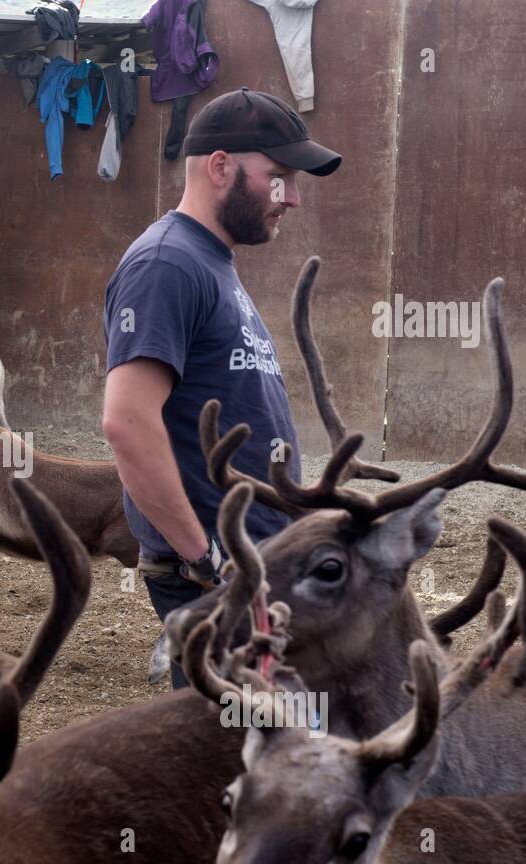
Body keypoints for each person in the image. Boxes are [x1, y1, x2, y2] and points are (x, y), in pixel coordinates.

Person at [100, 87, 342, 689]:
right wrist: (206, 559)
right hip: (215, 575)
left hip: (250, 563)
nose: (293, 196)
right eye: (279, 177)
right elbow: (127, 423)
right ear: (220, 166)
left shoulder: (209, 261)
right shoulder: (167, 264)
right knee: (232, 742)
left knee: (258, 742)